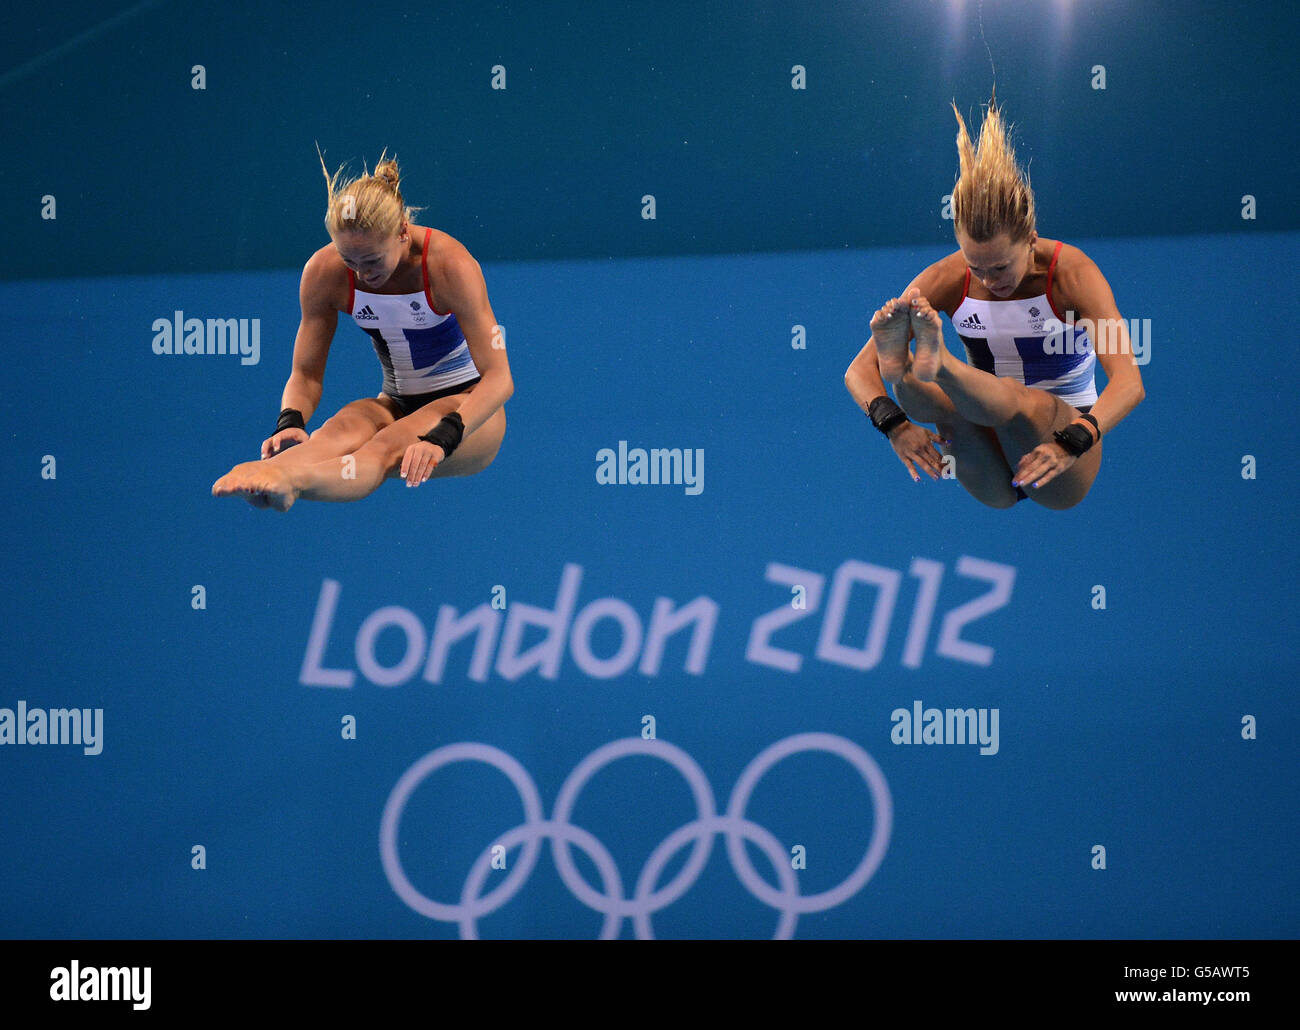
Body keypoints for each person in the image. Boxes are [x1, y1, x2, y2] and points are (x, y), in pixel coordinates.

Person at [844, 102, 1144, 509]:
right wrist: (895, 425)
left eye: (1001, 266)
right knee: (939, 402)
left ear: (1031, 240)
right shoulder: (946, 278)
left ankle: (939, 366)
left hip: (1063, 443)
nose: (988, 280)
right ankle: (915, 374)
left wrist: (1075, 440)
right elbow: (859, 371)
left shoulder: (1073, 275)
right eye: (976, 267)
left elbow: (1128, 382)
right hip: (983, 442)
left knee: (1021, 403)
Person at [212, 150, 512, 511]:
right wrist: (290, 420)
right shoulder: (324, 272)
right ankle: (272, 475)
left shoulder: (449, 264)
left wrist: (445, 435)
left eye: (371, 260)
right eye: (349, 260)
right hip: (395, 401)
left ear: (402, 230)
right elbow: (306, 375)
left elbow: (499, 378)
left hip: (470, 409)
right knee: (336, 433)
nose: (361, 274)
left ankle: (291, 483)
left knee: (383, 448)